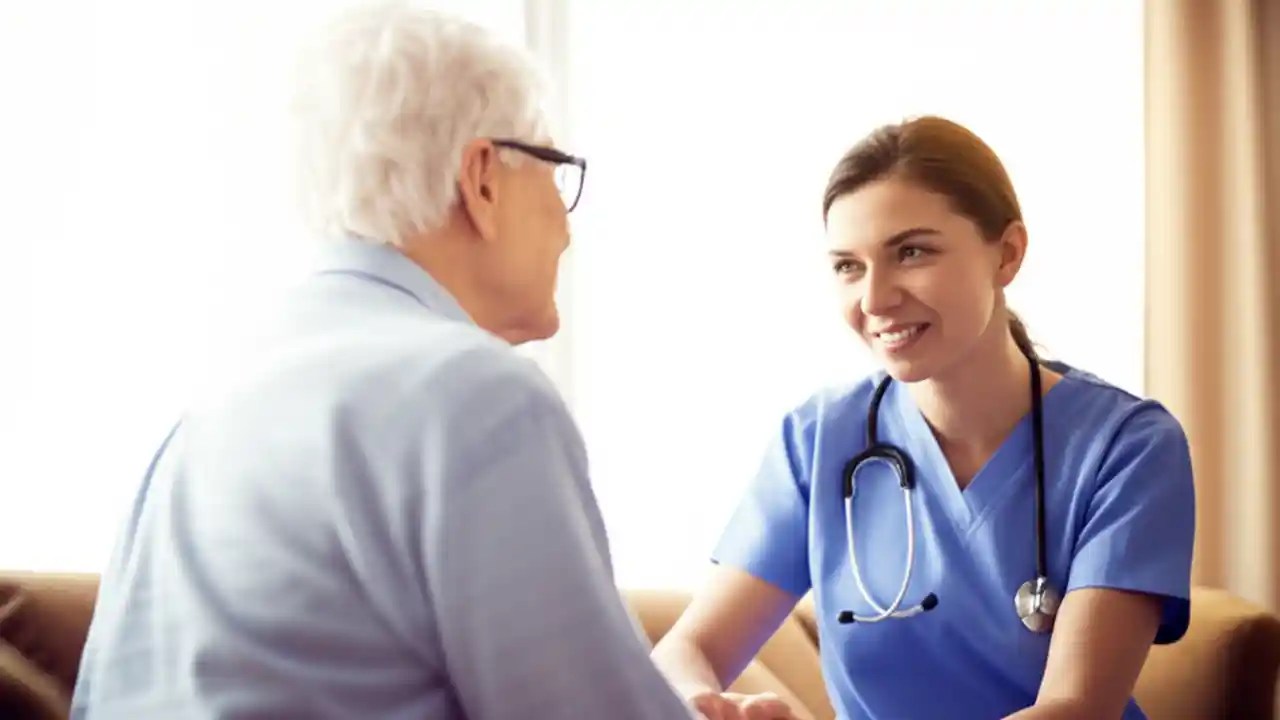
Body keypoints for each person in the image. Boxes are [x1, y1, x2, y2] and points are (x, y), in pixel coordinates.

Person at [69, 3, 699, 718]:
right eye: (555, 173)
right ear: (482, 179)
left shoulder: (208, 406)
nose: (566, 229)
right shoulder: (476, 394)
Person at [652, 116, 1196, 720]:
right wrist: (702, 705)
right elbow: (687, 651)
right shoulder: (818, 439)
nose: (875, 299)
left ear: (1007, 254)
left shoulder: (1127, 448)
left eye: (911, 252)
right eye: (848, 266)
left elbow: (1076, 708)